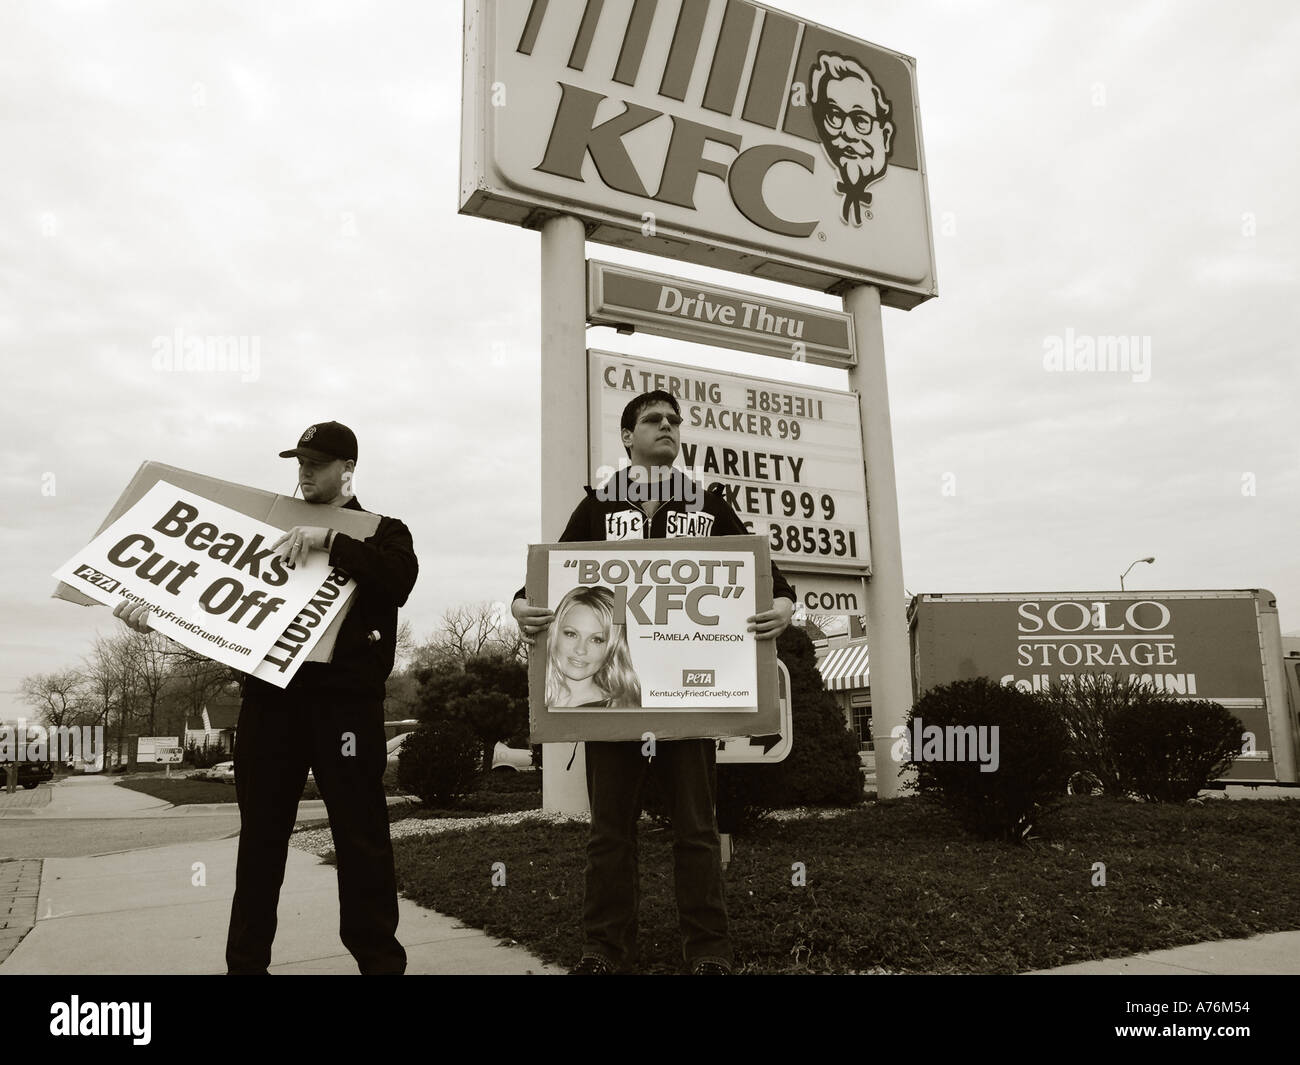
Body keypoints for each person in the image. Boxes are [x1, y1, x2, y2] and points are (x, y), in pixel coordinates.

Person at [115, 420, 417, 975]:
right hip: (271, 703)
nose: (304, 470)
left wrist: (331, 540)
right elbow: (216, 605)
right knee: (260, 844)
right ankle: (246, 966)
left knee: (362, 839)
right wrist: (156, 614)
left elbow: (398, 579)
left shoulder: (384, 531)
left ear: (347, 470)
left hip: (346, 709)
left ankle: (379, 964)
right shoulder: (264, 530)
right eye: (299, 459)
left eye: (317, 462)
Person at [512, 390, 795, 975]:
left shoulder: (709, 505)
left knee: (696, 829)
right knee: (609, 833)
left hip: (687, 700)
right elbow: (547, 580)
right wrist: (522, 606)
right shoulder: (595, 507)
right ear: (626, 437)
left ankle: (709, 952)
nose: (667, 426)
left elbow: (771, 578)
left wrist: (786, 606)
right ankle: (603, 951)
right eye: (652, 420)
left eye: (674, 421)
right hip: (615, 699)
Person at [546, 585, 640, 708]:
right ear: (554, 634)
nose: (580, 650)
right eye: (571, 634)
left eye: (596, 640)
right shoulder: (524, 693)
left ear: (612, 648)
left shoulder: (621, 712)